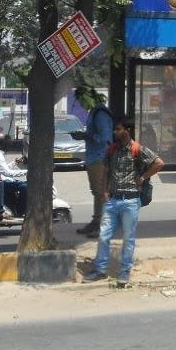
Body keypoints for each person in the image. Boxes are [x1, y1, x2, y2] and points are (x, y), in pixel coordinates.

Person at [84, 119, 163, 288]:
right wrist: (105, 191)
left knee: (128, 238)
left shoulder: (137, 149)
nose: (114, 132)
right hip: (113, 200)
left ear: (127, 130)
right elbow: (105, 171)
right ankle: (100, 269)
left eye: (118, 129)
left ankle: (124, 272)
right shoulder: (112, 150)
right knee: (104, 236)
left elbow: (158, 163)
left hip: (131, 200)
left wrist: (142, 177)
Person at [75, 84, 115, 238]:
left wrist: (86, 136)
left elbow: (104, 138)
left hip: (100, 157)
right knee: (97, 192)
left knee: (101, 192)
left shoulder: (99, 113)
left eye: (81, 101)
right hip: (94, 157)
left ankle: (103, 226)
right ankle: (96, 222)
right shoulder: (94, 112)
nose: (81, 105)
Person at [0, 132, 28, 218]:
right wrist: (27, 171)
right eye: (7, 142)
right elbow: (7, 173)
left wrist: (14, 163)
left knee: (23, 184)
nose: (9, 144)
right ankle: (20, 212)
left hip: (3, 179)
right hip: (2, 181)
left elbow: (3, 168)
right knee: (26, 187)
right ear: (2, 144)